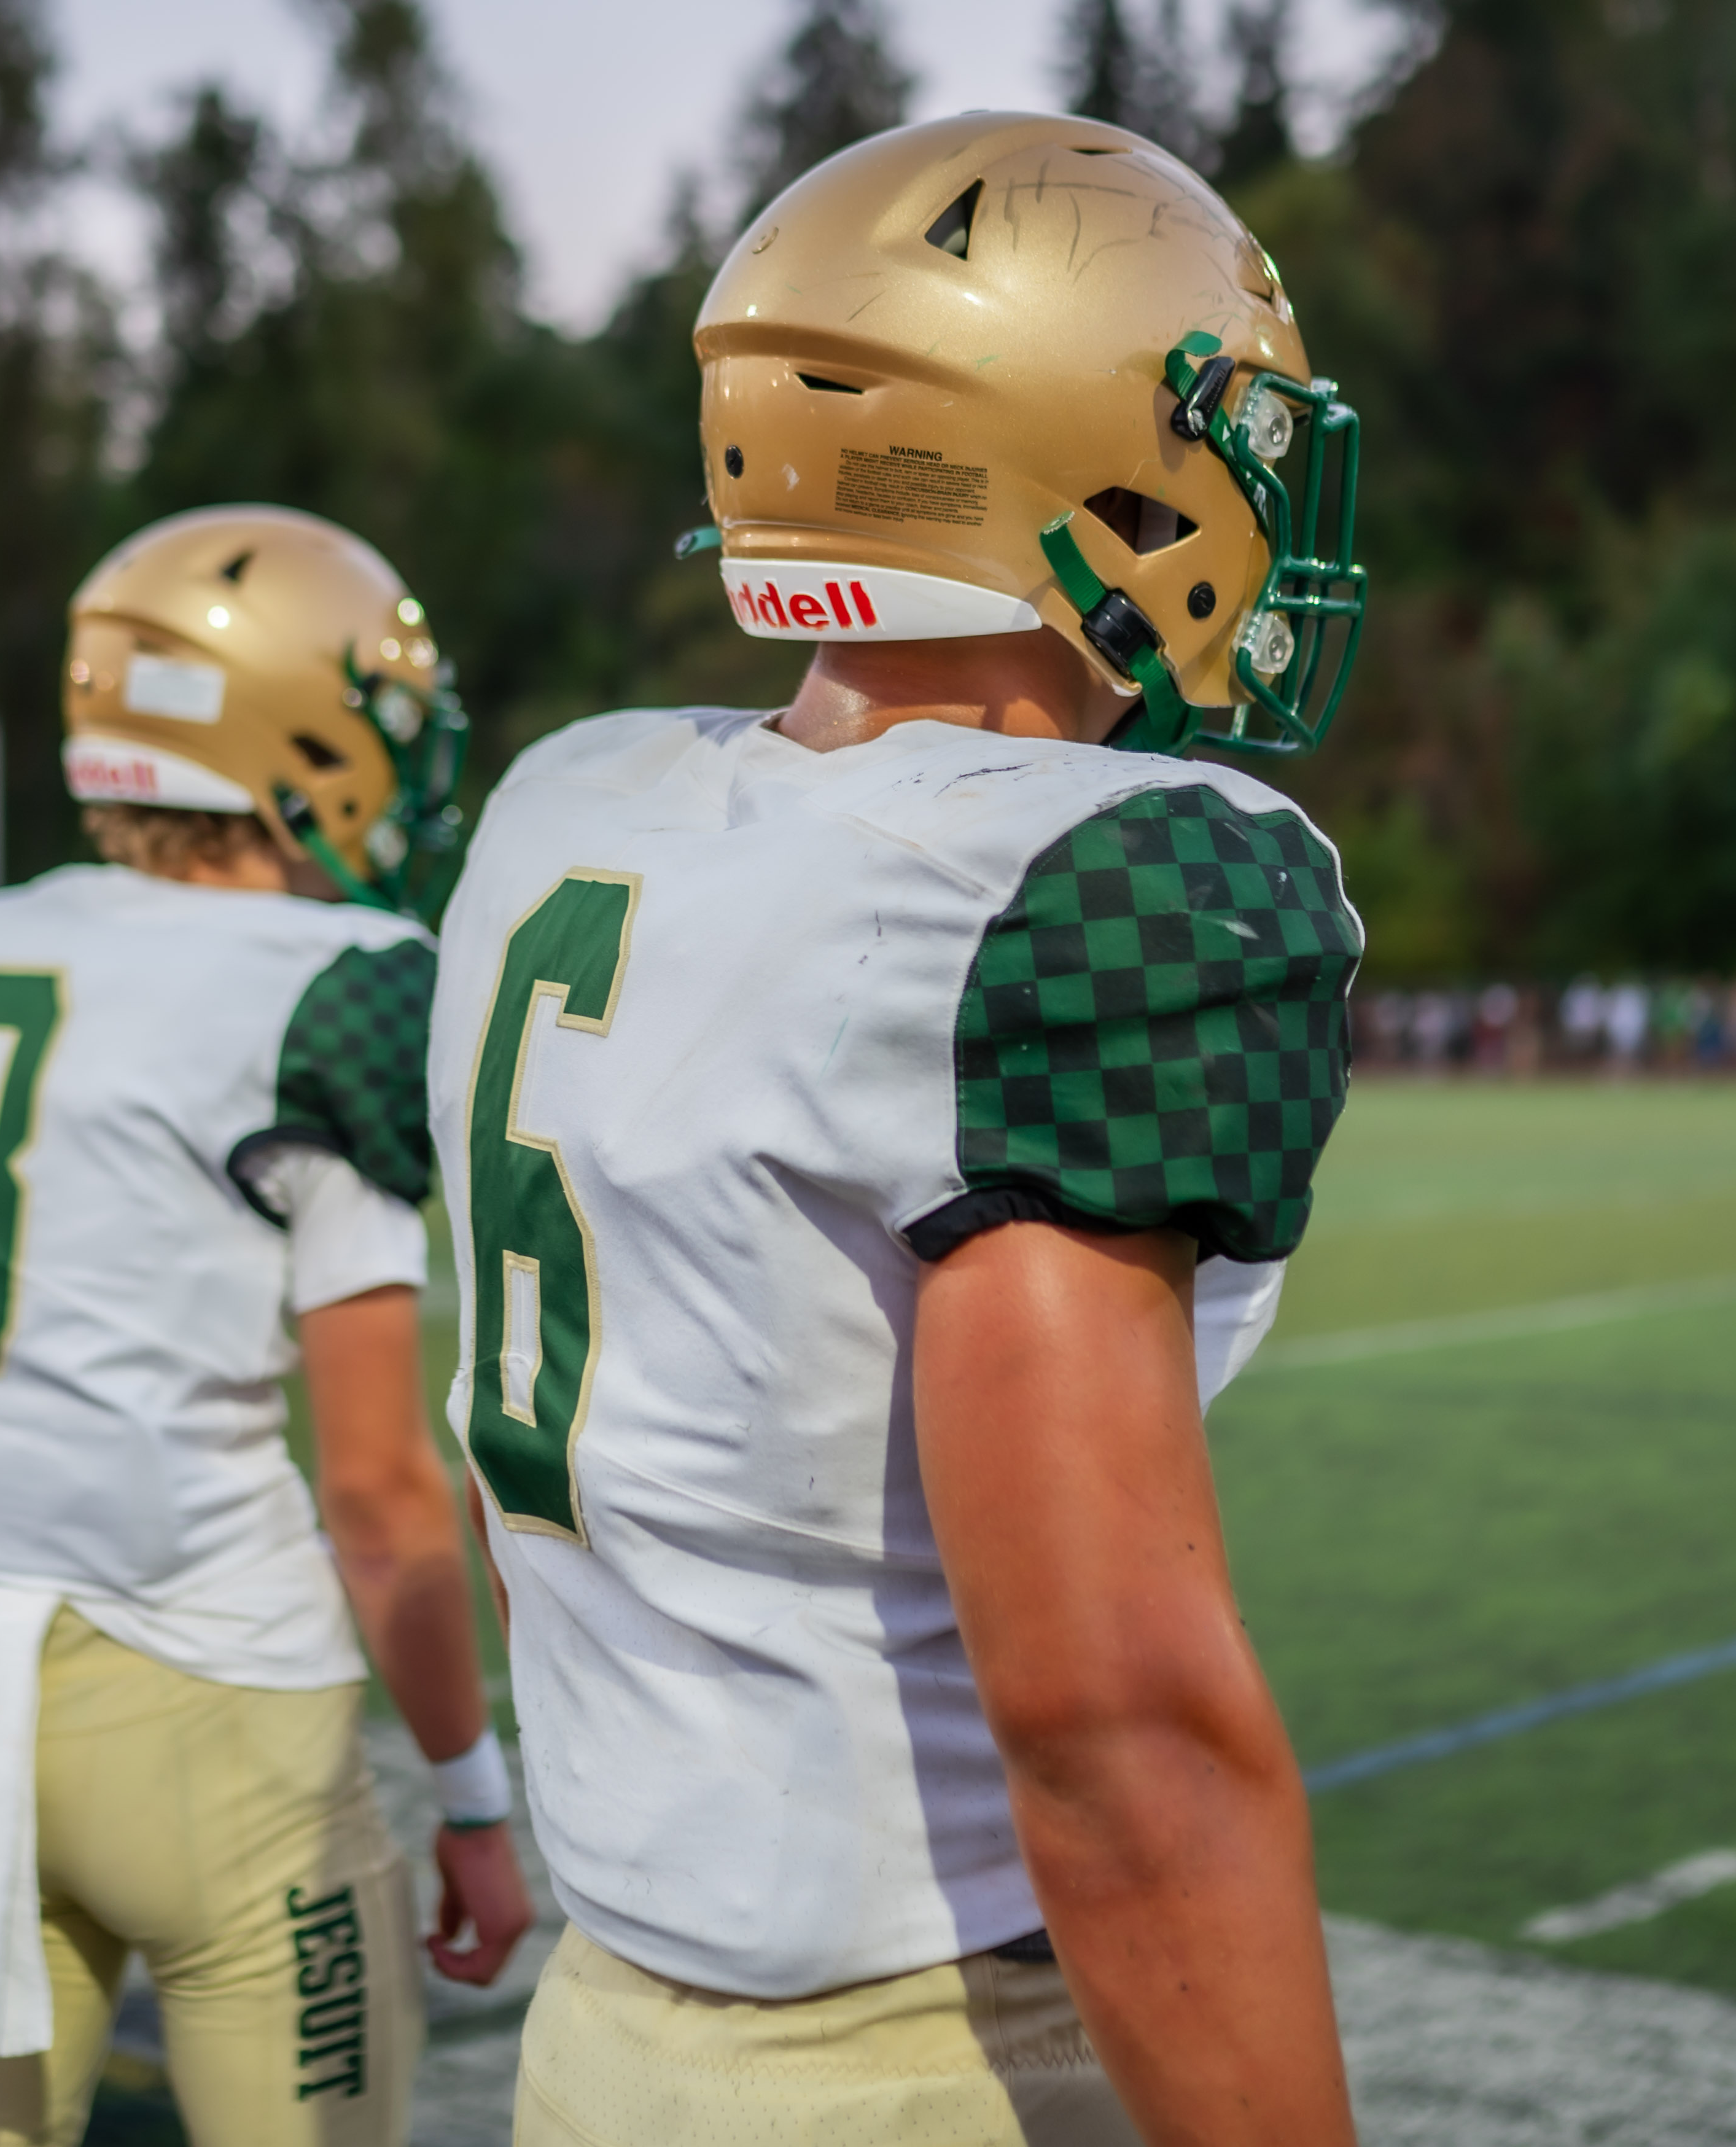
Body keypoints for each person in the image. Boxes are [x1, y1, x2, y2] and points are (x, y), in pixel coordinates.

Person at [429, 114, 1368, 2145]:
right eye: (1222, 438)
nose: (1250, 490)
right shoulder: (1087, 880)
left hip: (607, 2022)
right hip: (922, 2054)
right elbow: (1111, 1724)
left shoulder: (564, 807)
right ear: (1087, 459)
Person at [0, 504, 528, 2147]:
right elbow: (378, 1494)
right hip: (218, 1711)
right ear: (290, 733)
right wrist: (469, 1790)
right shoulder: (341, 976)